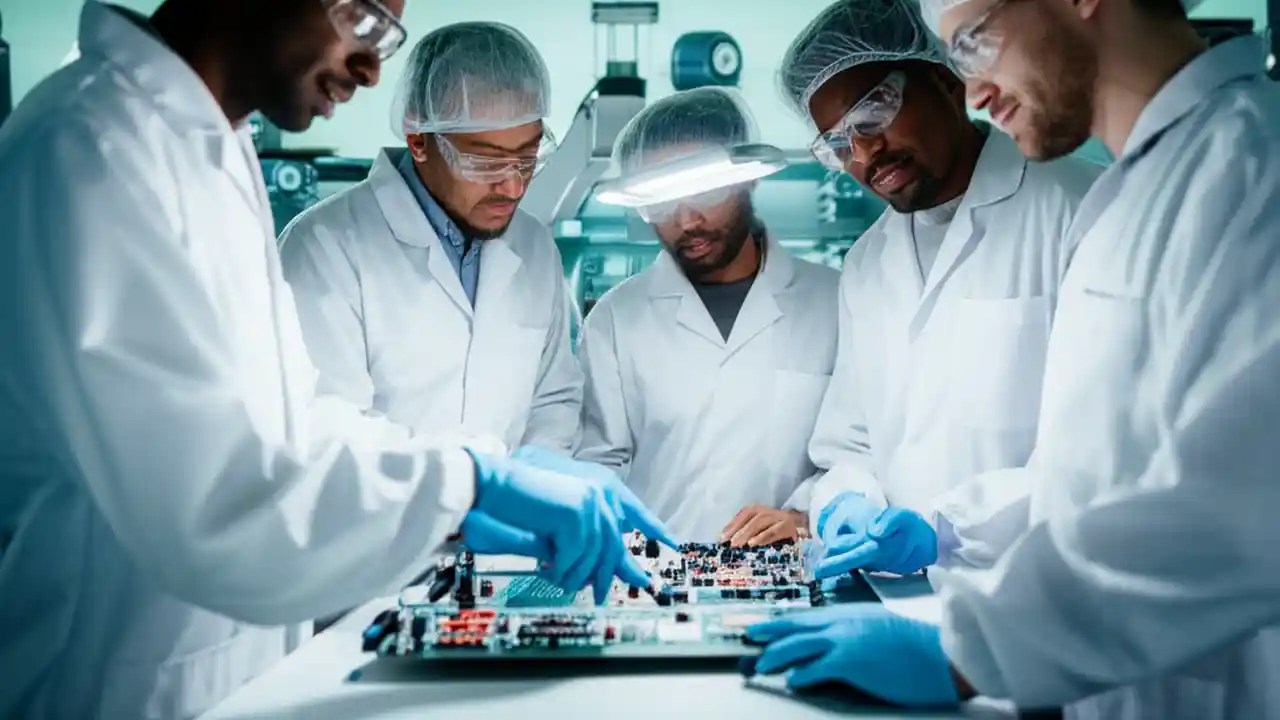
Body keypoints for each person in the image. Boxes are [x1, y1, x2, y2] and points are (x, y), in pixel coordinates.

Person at [0, 2, 668, 718]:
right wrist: (469, 483)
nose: (373, 65)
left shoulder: (201, 148)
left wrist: (483, 478)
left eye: (385, 32)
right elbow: (219, 495)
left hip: (228, 666)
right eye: (361, 16)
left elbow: (294, 421)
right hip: (112, 683)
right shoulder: (92, 149)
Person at [746, 0, 1280, 716]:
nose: (974, 90)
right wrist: (893, 512)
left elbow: (1238, 504)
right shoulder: (1134, 195)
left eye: (973, 41)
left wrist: (973, 645)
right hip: (1078, 666)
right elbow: (1088, 473)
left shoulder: (1250, 166)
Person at [779, 0, 1099, 578]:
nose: (865, 153)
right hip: (906, 600)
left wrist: (946, 531)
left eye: (874, 113)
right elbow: (851, 445)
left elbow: (1103, 452)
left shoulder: (1079, 208)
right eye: (840, 143)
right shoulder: (866, 265)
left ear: (947, 80)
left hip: (1046, 592)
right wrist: (845, 504)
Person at [280, 23, 580, 456]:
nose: (513, 188)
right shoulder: (324, 248)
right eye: (485, 163)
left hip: (516, 520)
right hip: (384, 522)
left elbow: (554, 401)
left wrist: (529, 495)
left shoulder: (533, 246)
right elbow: (328, 432)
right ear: (419, 140)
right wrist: (465, 496)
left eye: (527, 159)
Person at [574, 87, 840, 544]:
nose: (687, 220)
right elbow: (595, 466)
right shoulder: (616, 321)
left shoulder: (833, 302)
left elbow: (857, 450)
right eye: (661, 203)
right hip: (661, 580)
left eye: (705, 193)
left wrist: (805, 517)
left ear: (748, 178)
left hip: (797, 571)